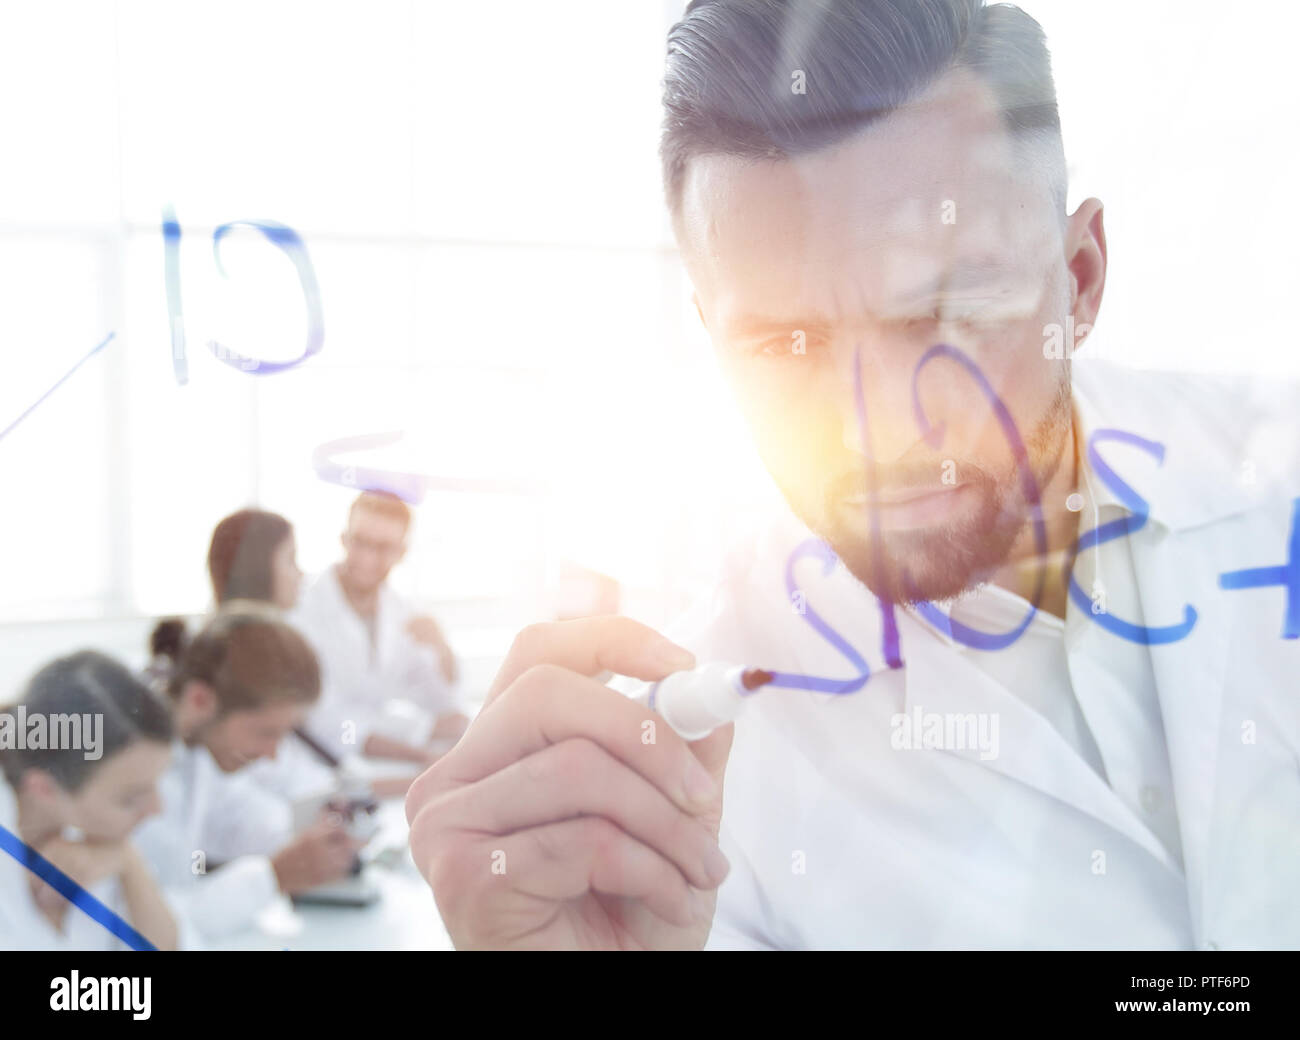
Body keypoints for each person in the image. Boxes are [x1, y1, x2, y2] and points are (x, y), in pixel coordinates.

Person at [405, 0, 1300, 949]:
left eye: (946, 315)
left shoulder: (1271, 469)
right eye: (787, 346)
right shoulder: (676, 798)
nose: (875, 432)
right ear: (713, 338)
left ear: (1078, 280)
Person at [134, 603, 363, 941]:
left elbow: (239, 815)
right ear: (200, 699)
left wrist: (317, 828)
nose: (272, 754)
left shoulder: (196, 750)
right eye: (266, 732)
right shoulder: (134, 779)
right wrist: (274, 877)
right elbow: (157, 927)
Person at [0, 651, 178, 951]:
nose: (157, 809)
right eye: (130, 798)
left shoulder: (97, 832)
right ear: (43, 788)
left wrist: (125, 860)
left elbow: (165, 945)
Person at [292, 491, 469, 764]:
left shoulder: (402, 613)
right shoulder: (304, 608)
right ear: (344, 538)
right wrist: (419, 749)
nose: (367, 557)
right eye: (360, 542)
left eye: (383, 547)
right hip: (320, 760)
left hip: (377, 756)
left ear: (401, 552)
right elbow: (323, 720)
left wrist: (441, 649)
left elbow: (446, 706)